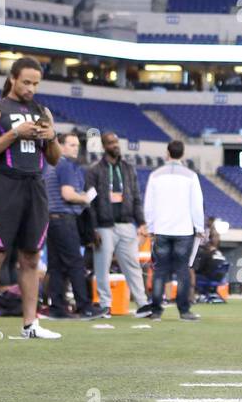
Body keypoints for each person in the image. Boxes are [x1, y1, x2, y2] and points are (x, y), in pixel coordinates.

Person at [0, 57, 61, 340]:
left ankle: (30, 324)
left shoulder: (42, 111)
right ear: (12, 78)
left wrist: (52, 137)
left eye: (35, 83)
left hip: (35, 187)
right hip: (7, 184)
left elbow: (54, 159)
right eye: (26, 82)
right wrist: (14, 133)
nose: (31, 88)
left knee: (32, 257)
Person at [85, 132, 148, 315]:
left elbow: (136, 197)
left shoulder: (128, 169)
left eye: (116, 142)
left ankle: (142, 304)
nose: (115, 145)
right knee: (101, 267)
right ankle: (105, 304)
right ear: (104, 146)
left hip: (127, 224)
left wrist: (141, 222)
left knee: (133, 265)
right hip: (104, 226)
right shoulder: (94, 170)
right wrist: (93, 227)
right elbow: (90, 201)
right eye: (111, 143)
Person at [141, 140, 204, 321]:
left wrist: (151, 227)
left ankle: (156, 311)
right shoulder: (191, 176)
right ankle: (184, 311)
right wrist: (199, 227)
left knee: (160, 271)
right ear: (182, 154)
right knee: (182, 271)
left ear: (167, 153)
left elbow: (149, 205)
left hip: (162, 229)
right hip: (184, 230)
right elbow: (196, 204)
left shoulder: (155, 175)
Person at [43, 131, 103, 320]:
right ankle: (84, 306)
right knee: (75, 264)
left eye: (77, 145)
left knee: (57, 266)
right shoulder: (65, 165)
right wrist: (85, 198)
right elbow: (67, 194)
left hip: (52, 220)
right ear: (60, 146)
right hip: (64, 219)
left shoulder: (52, 165)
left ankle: (58, 308)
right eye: (71, 145)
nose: (76, 149)